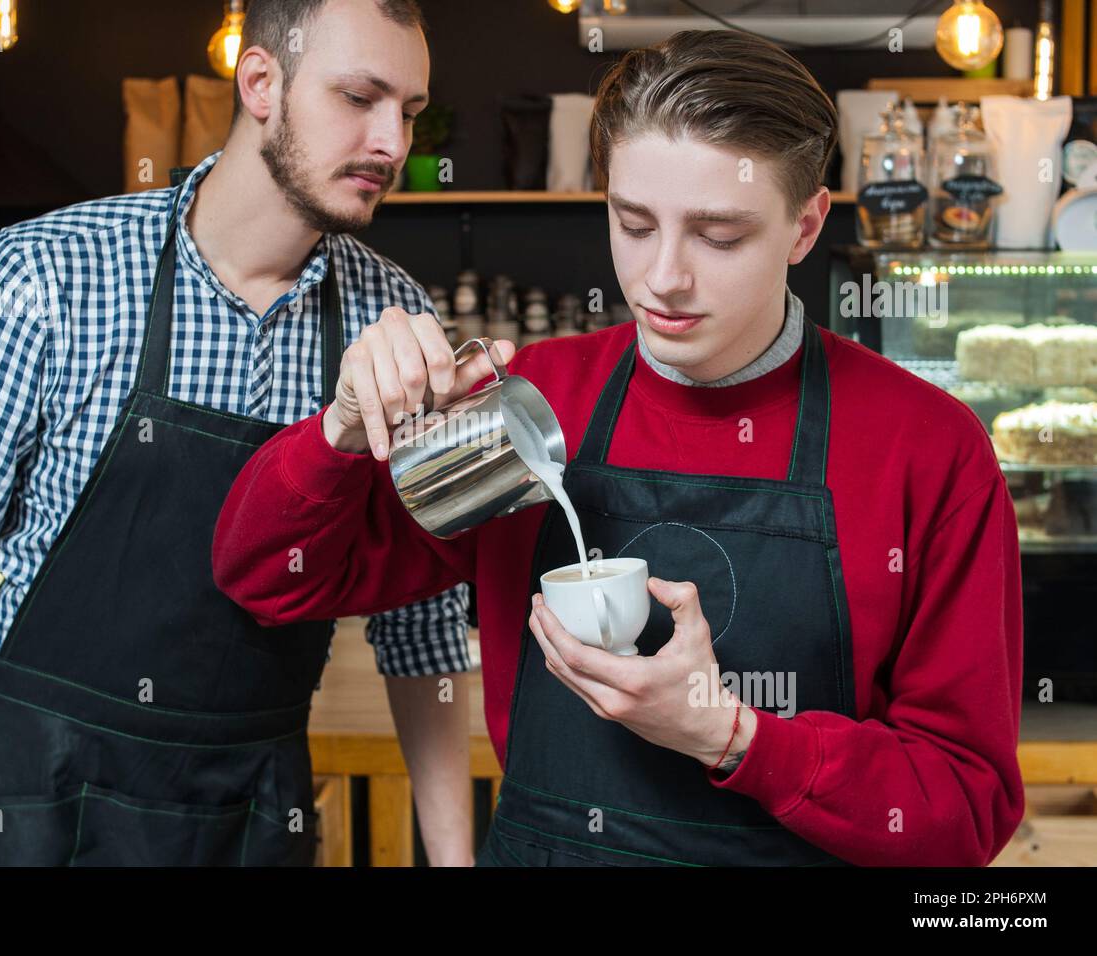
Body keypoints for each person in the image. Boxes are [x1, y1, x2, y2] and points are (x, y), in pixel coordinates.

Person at [214, 29, 1026, 866]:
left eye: (718, 236)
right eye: (634, 222)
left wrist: (731, 734)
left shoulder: (926, 448)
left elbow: (963, 811)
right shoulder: (533, 402)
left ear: (806, 225)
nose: (661, 278)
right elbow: (266, 576)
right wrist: (341, 429)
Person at [0, 0, 477, 867]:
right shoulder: (47, 274)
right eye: (359, 98)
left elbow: (423, 625)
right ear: (260, 82)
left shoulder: (392, 317)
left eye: (408, 111)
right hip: (31, 805)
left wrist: (452, 863)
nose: (394, 143)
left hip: (255, 813)